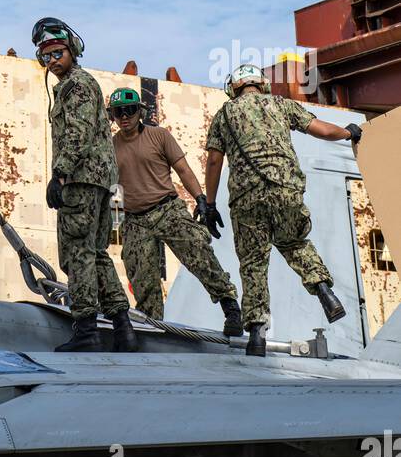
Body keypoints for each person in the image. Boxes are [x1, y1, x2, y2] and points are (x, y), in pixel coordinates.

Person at [205, 63, 361, 356]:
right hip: (286, 191)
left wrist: (210, 204)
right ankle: (324, 292)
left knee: (253, 264)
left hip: (247, 199)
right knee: (295, 243)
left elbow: (214, 161)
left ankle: (257, 335)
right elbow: (322, 130)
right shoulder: (281, 105)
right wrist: (348, 132)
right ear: (260, 84)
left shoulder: (224, 115)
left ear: (234, 87)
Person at [32, 16, 137, 353]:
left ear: (72, 50)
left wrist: (59, 174)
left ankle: (86, 330)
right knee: (95, 253)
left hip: (80, 179)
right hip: (98, 181)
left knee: (77, 254)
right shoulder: (79, 84)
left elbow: (76, 134)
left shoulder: (76, 85)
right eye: (45, 56)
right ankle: (123, 327)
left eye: (57, 53)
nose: (52, 61)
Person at [108, 86, 243, 335]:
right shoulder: (109, 147)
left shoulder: (159, 136)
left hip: (167, 209)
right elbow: (109, 187)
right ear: (112, 116)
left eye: (129, 110)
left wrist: (202, 200)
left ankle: (231, 308)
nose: (124, 116)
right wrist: (110, 223)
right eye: (118, 112)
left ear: (140, 112)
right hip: (135, 220)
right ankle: (149, 327)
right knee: (142, 279)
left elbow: (182, 169)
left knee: (199, 253)